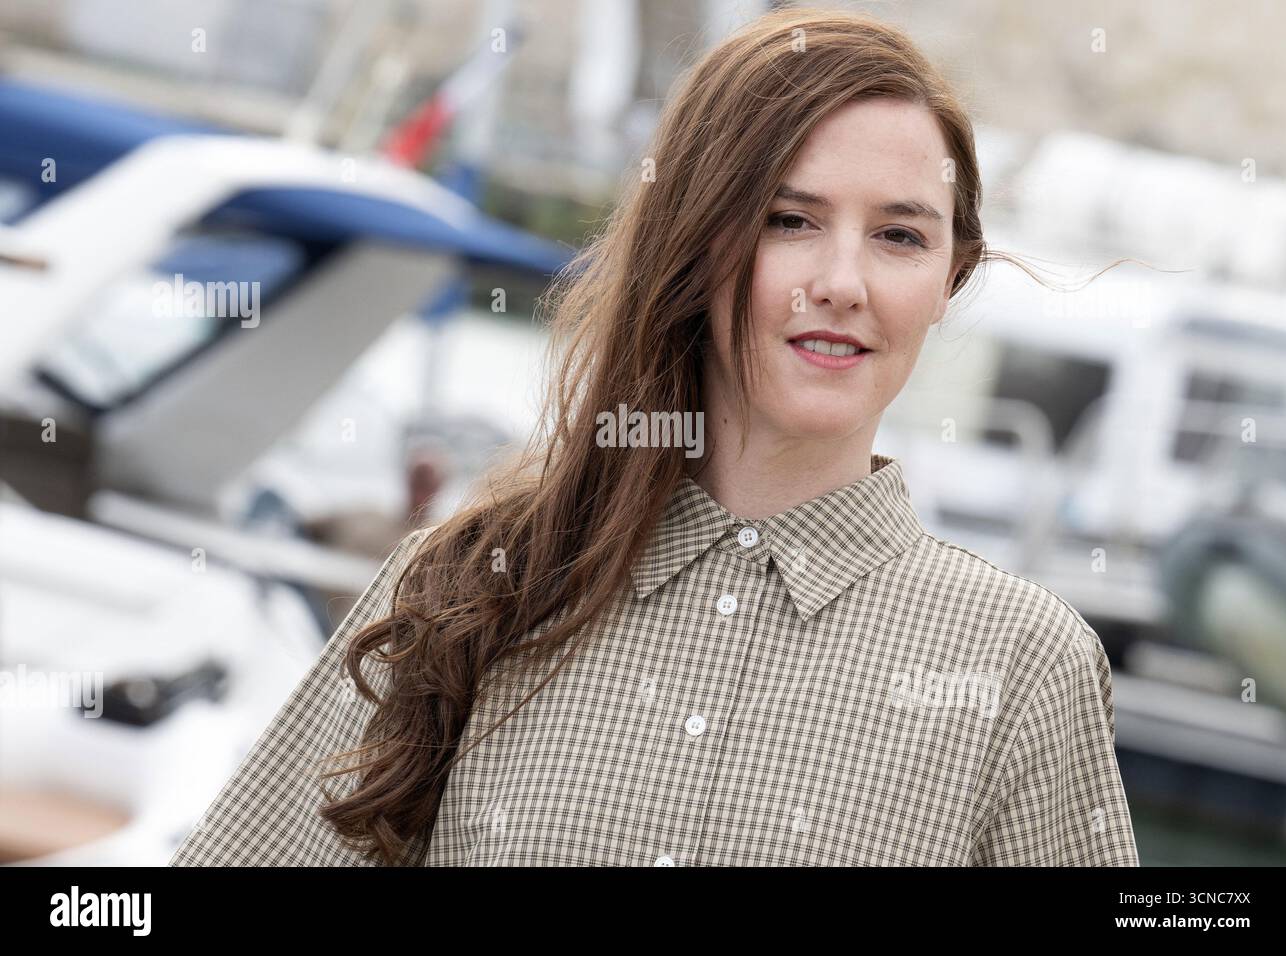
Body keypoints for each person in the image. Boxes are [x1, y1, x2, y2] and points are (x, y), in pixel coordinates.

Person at [170, 7, 1140, 867]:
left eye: (899, 236)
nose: (844, 281)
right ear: (694, 243)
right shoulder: (470, 583)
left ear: (947, 280)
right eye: (789, 219)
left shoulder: (1022, 664)